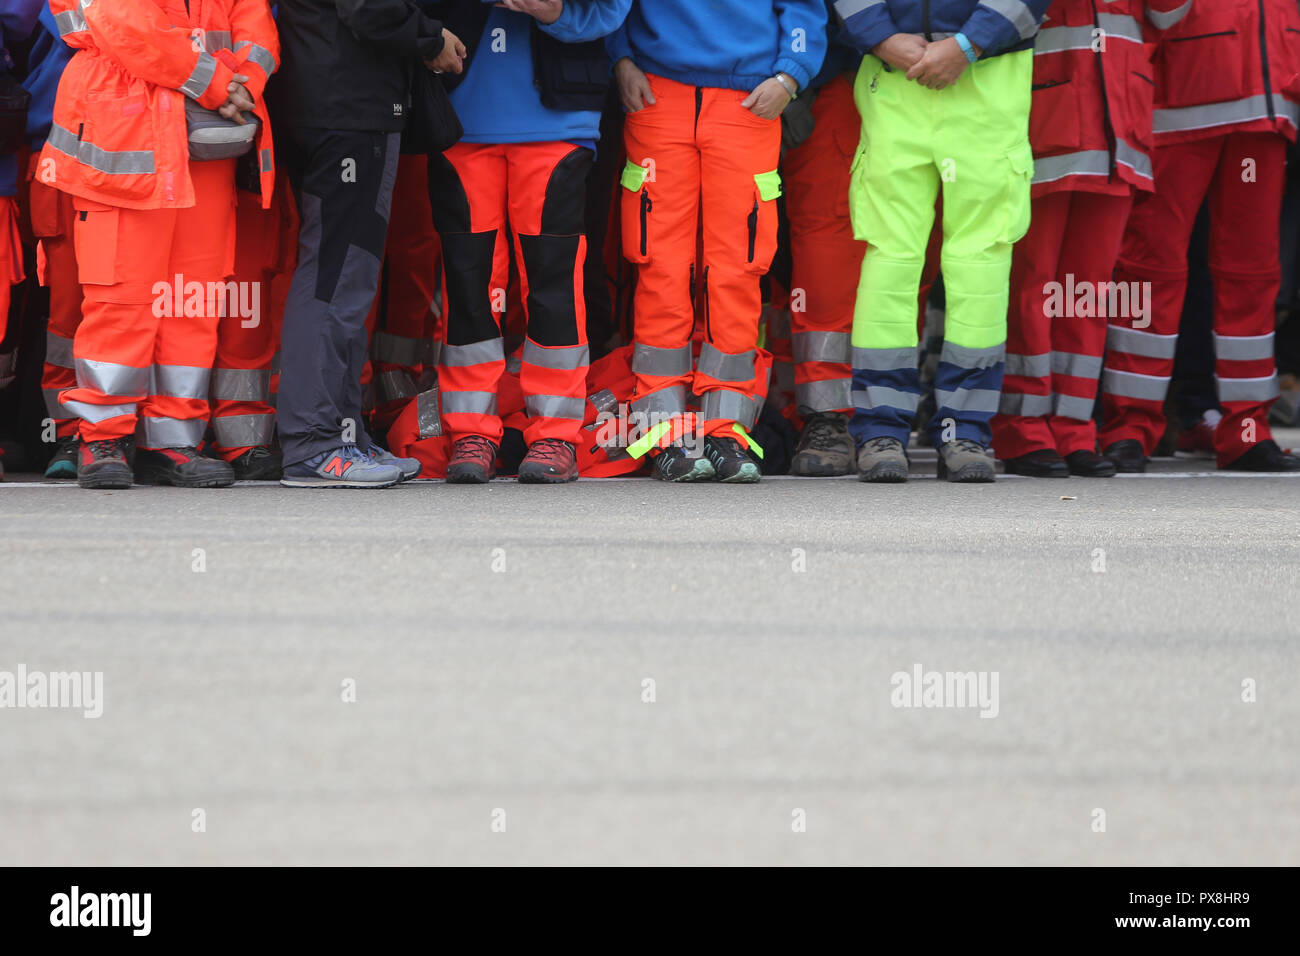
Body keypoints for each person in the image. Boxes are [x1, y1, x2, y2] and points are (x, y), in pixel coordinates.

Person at [43, 0, 280, 490]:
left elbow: (255, 28)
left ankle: (172, 439)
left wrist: (247, 83)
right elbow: (127, 26)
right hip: (127, 131)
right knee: (121, 298)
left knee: (192, 298)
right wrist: (221, 85)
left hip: (203, 136)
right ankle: (103, 436)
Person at [611, 0, 828, 483]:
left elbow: (805, 9)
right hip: (657, 93)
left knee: (738, 268)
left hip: (748, 98)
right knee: (660, 264)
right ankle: (665, 435)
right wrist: (620, 58)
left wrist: (789, 77)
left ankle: (727, 432)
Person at [838, 0, 1050, 483]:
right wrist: (882, 37)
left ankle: (960, 429)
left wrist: (969, 43)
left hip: (980, 75)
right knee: (894, 262)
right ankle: (886, 429)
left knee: (977, 266)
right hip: (906, 74)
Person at [427, 0, 632, 484]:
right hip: (460, 118)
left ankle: (556, 434)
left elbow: (612, 9)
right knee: (468, 282)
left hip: (557, 122)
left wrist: (555, 11)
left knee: (553, 283)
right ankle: (470, 431)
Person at [1098, 0, 1300, 473]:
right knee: (1149, 266)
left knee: (1253, 274)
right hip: (1180, 102)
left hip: (1267, 112)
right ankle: (1129, 426)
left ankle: (1247, 430)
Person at [269, 0, 464, 488]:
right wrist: (431, 38)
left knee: (345, 279)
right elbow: (368, 8)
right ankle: (315, 444)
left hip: (339, 103)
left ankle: (341, 434)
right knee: (336, 278)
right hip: (346, 108)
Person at [992, 1, 1184, 478]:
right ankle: (1023, 428)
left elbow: (1169, 15)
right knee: (1032, 289)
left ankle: (1073, 429)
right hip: (1045, 126)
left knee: (1087, 295)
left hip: (1118, 135)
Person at [783, 2, 865, 477]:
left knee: (908, 258)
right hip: (831, 78)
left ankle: (877, 412)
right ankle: (821, 415)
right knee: (821, 258)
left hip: (919, 78)